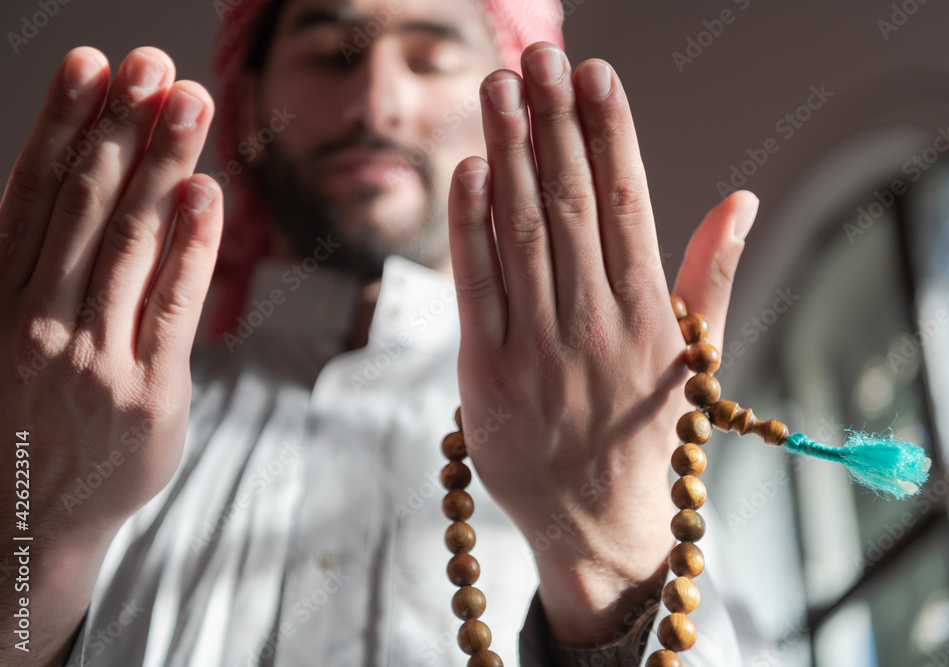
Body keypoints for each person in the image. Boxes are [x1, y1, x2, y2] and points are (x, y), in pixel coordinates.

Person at [0, 0, 759, 664]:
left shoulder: (647, 470)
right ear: (253, 98)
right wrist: (32, 525)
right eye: (334, 55)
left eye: (432, 59)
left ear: (516, 110)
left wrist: (609, 545)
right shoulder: (83, 421)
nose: (376, 102)